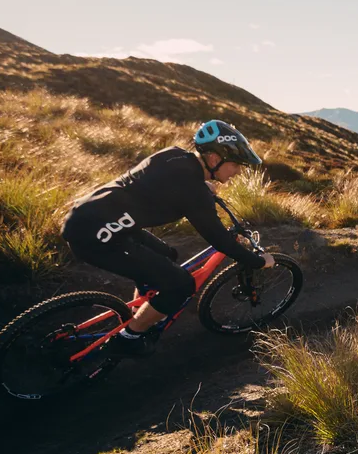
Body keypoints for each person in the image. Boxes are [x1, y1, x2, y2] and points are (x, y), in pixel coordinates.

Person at [61, 120, 274, 356]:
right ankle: (129, 337)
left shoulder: (173, 156)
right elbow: (221, 241)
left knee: (169, 255)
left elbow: (166, 181)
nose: (238, 171)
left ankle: (142, 311)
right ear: (214, 159)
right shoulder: (194, 192)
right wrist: (258, 261)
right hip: (96, 236)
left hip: (90, 214)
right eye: (236, 165)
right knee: (182, 285)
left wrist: (202, 185)